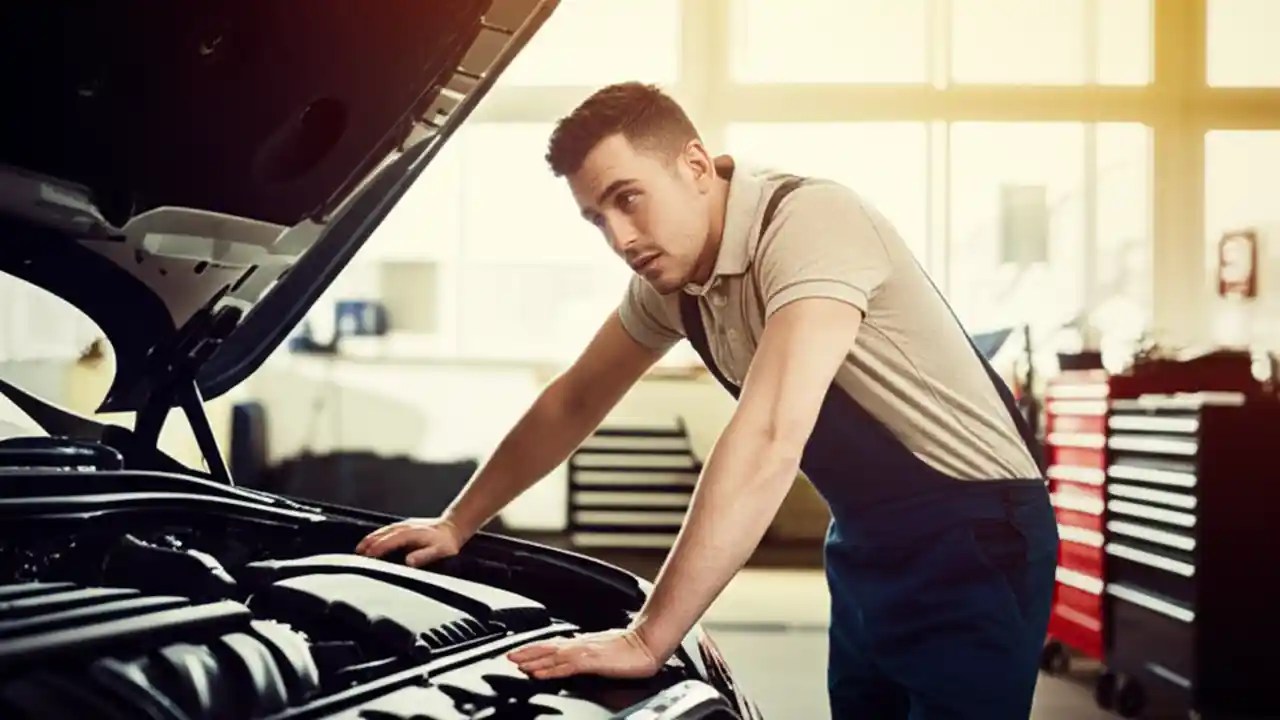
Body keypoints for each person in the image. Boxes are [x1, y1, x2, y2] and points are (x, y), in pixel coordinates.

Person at [356, 81, 1058, 719]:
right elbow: (572, 401)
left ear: (695, 166)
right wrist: (457, 522)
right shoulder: (674, 284)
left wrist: (648, 637)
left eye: (628, 199)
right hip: (867, 538)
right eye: (596, 219)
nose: (620, 239)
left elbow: (771, 436)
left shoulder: (812, 221)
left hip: (978, 534)